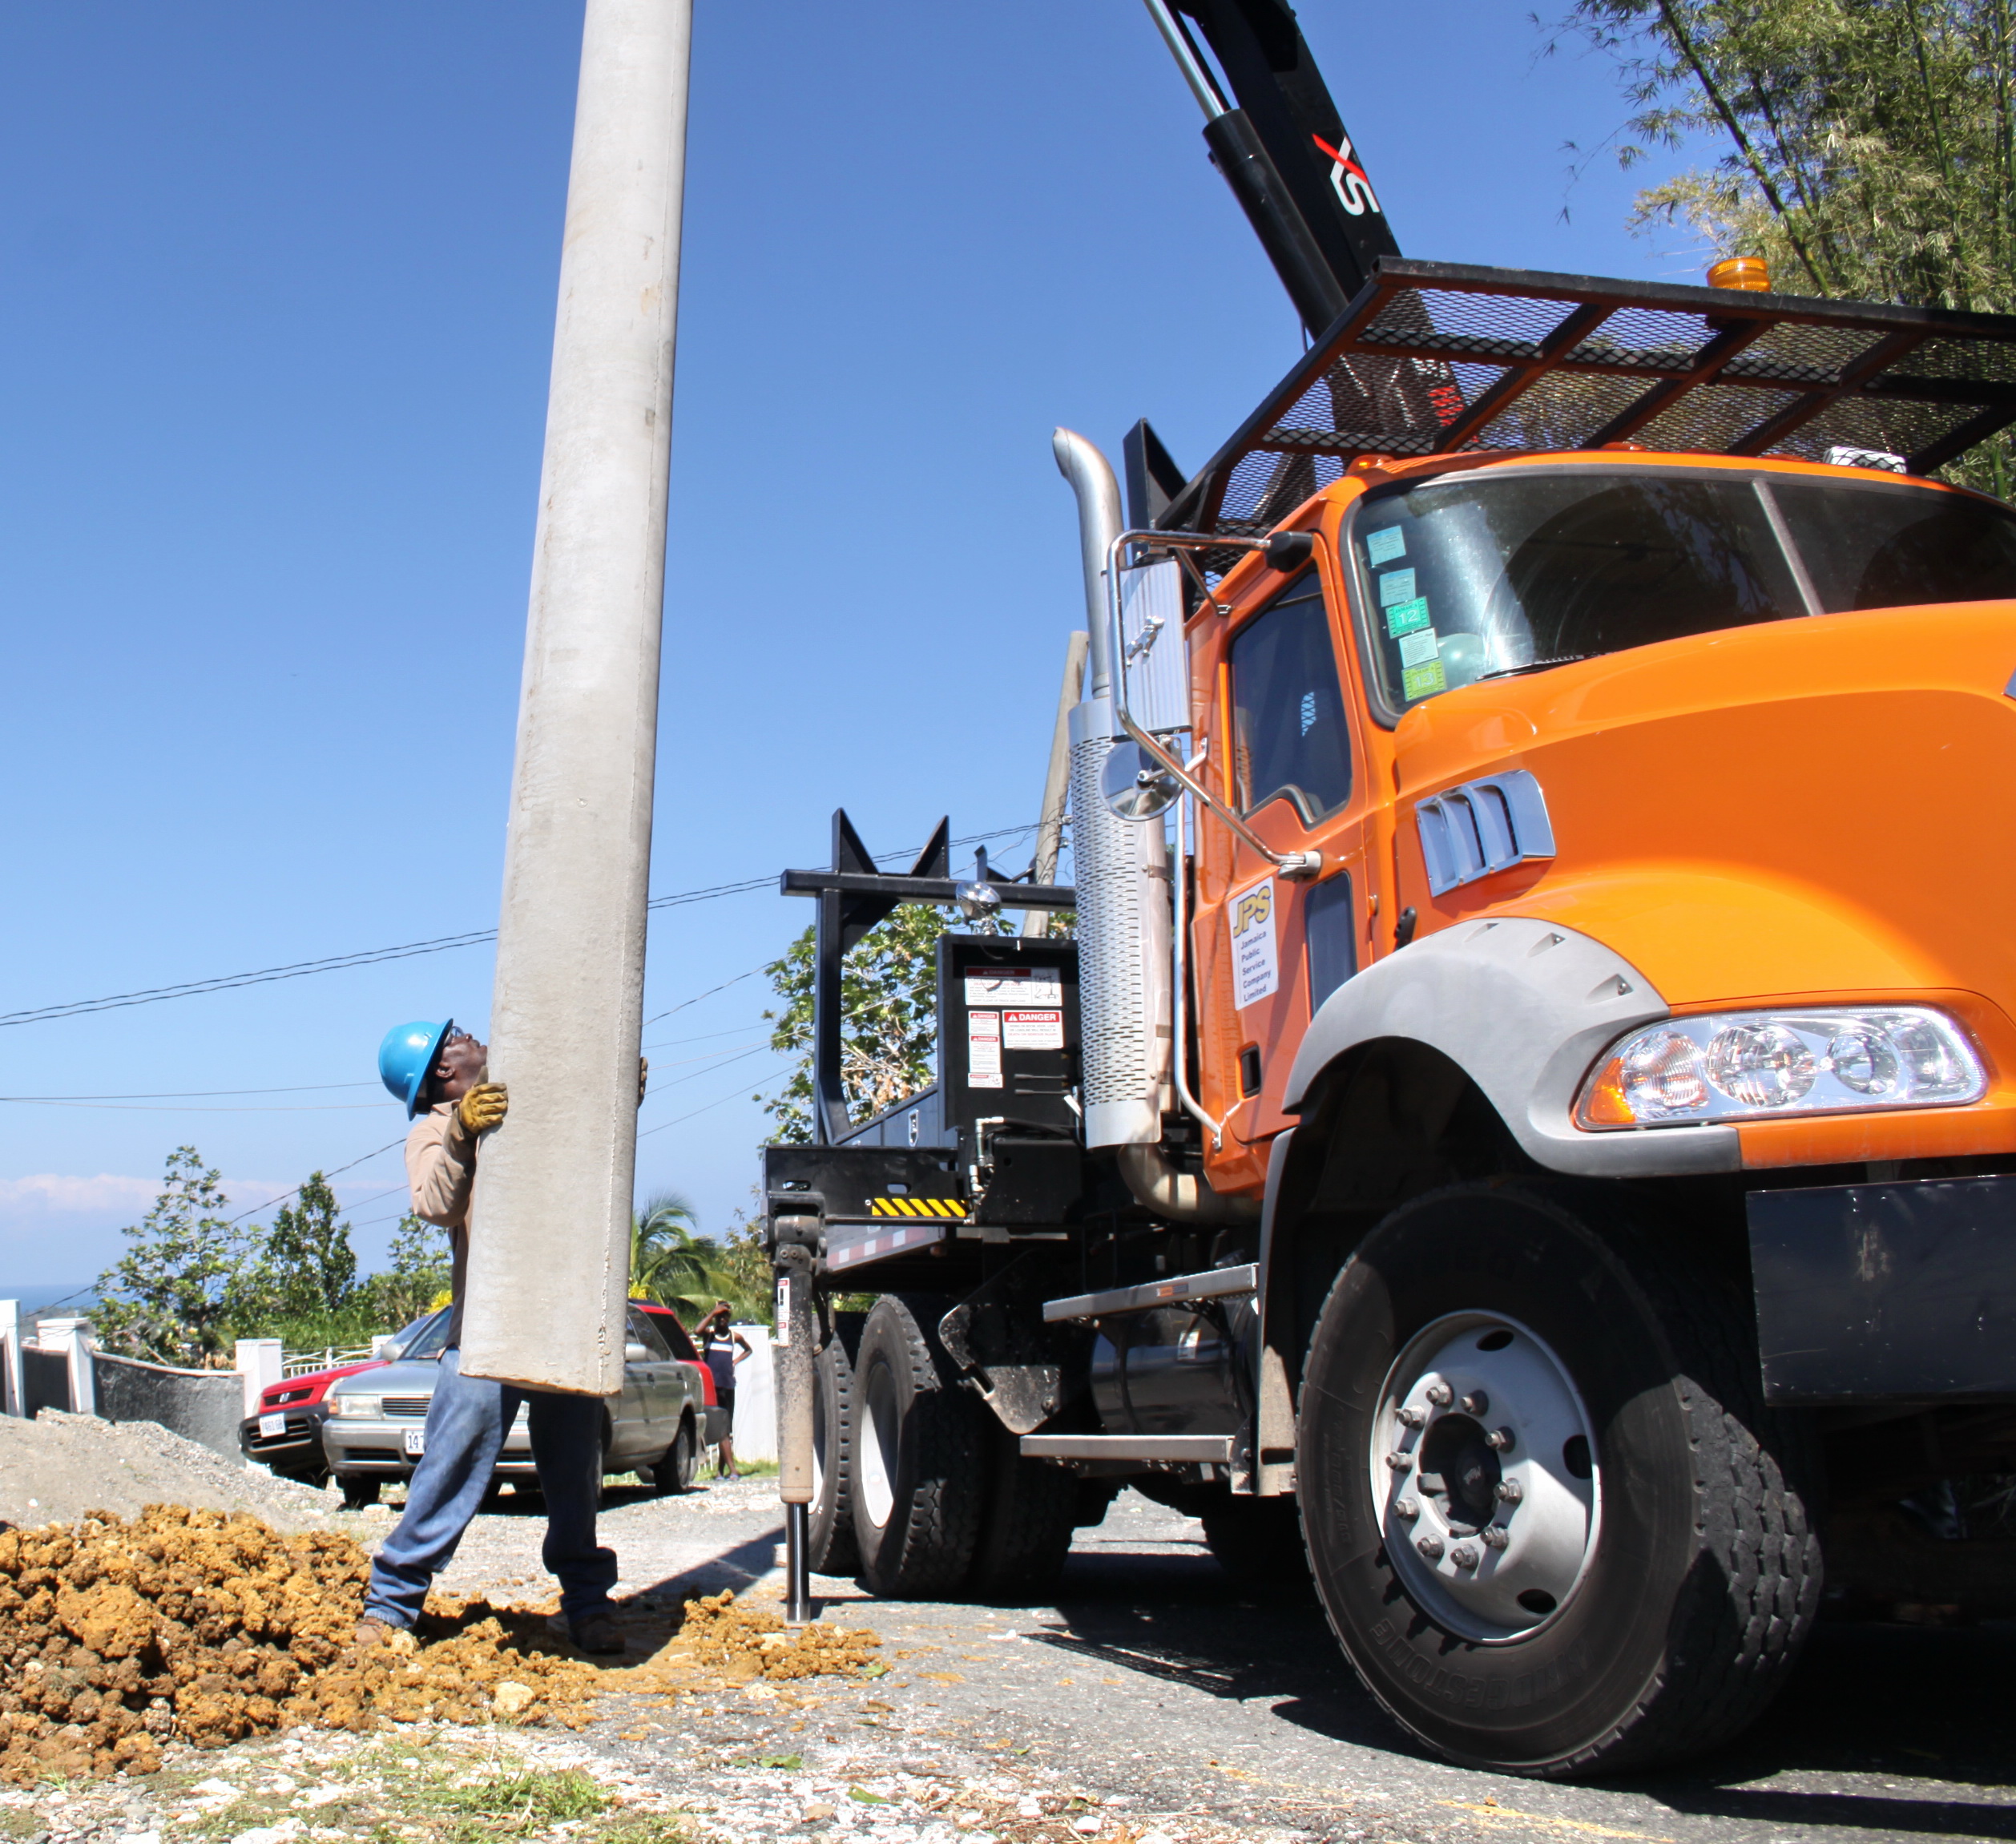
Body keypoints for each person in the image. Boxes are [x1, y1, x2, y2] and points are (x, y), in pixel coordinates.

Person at [353, 1019, 642, 1656]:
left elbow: (587, 1153)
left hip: (558, 1313)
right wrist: (462, 1133)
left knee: (575, 1471)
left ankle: (587, 1604)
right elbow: (435, 1204)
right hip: (486, 1321)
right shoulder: (434, 1128)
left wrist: (619, 1097)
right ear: (441, 1070)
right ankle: (391, 1603)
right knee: (452, 1459)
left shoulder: (525, 1099)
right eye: (456, 1035)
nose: (473, 1035)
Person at [698, 1302, 752, 1481]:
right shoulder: (710, 1335)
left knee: (726, 1429)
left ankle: (721, 1471)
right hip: (713, 1388)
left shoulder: (734, 1336)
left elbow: (749, 1350)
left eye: (725, 1315)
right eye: (719, 1316)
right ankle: (732, 1470)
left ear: (729, 1317)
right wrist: (713, 1311)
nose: (722, 1318)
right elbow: (697, 1330)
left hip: (728, 1386)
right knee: (721, 1429)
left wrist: (735, 1361)